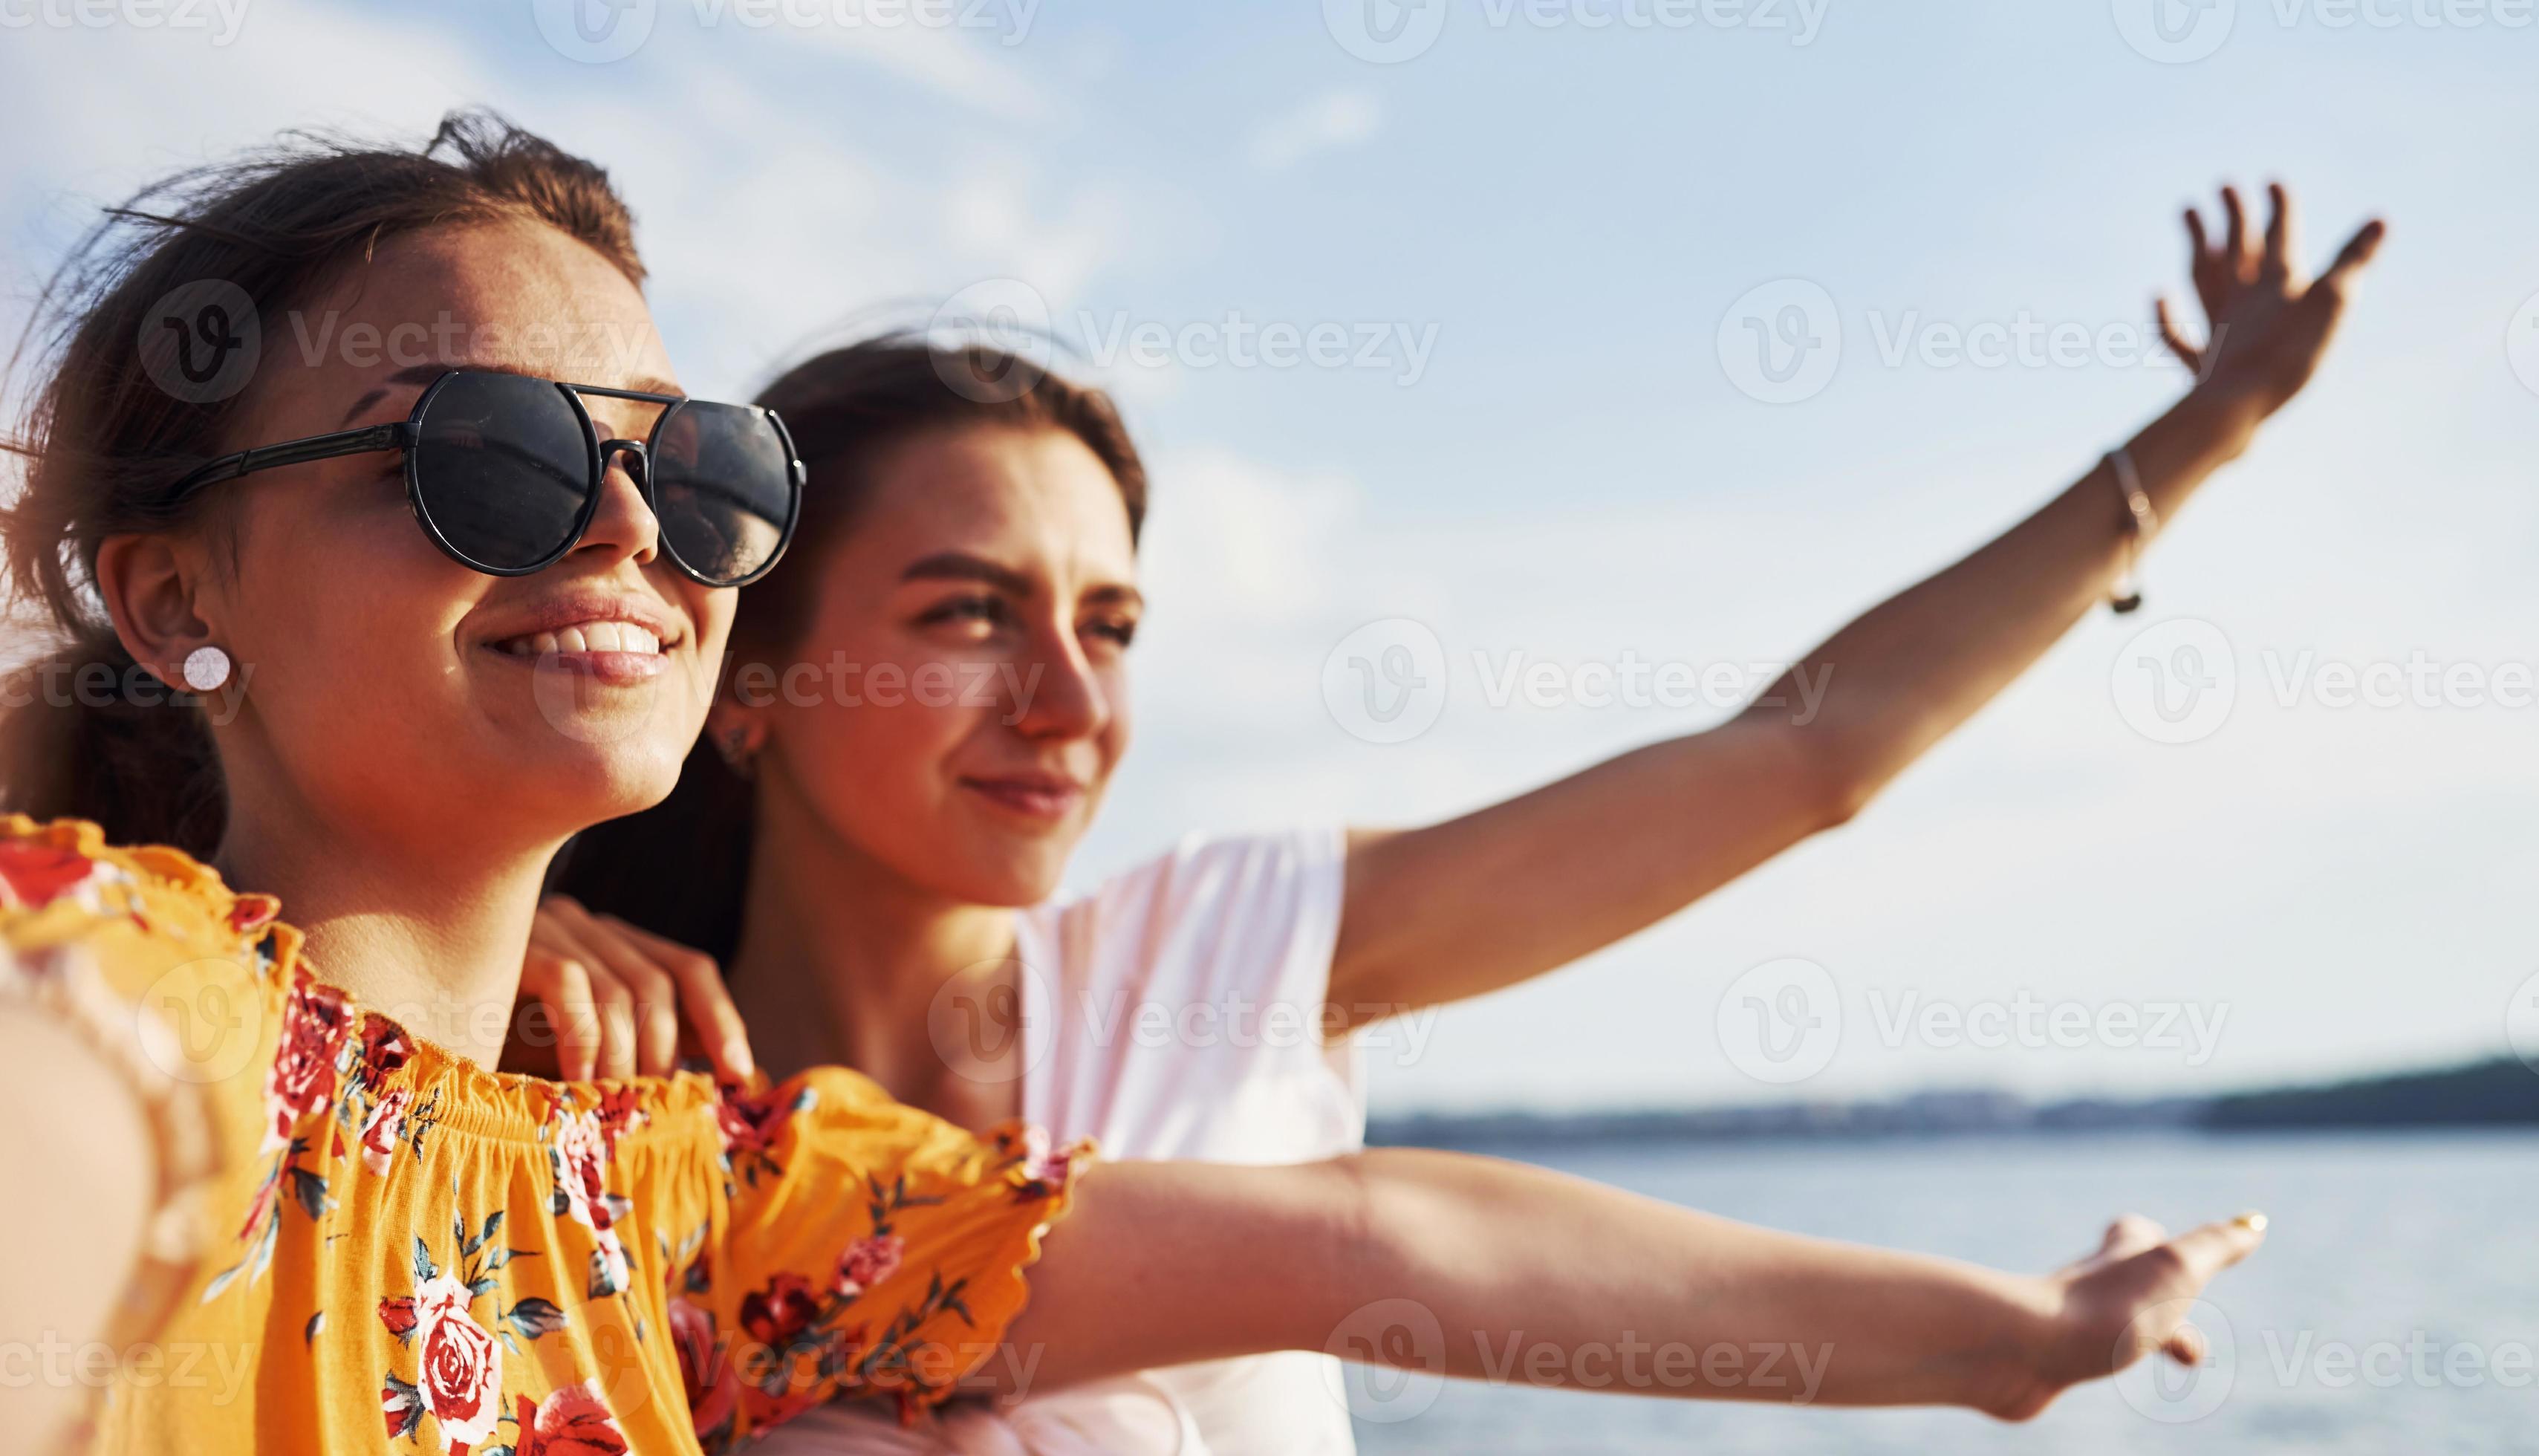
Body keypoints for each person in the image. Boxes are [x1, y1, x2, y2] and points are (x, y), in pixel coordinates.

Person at [0, 112, 2275, 1456]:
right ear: (171, 583)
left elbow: (1386, 1240)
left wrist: (2019, 1343)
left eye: (696, 481)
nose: (621, 529)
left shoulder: (709, 1189)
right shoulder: (135, 995)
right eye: (488, 458)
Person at [550, 184, 2382, 1452]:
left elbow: (1804, 757)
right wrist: (499, 931)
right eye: (967, 613)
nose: (1069, 701)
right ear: (748, 672)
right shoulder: (573, 1071)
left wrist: (2197, 435)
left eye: (1109, 626)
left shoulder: (1221, 953)